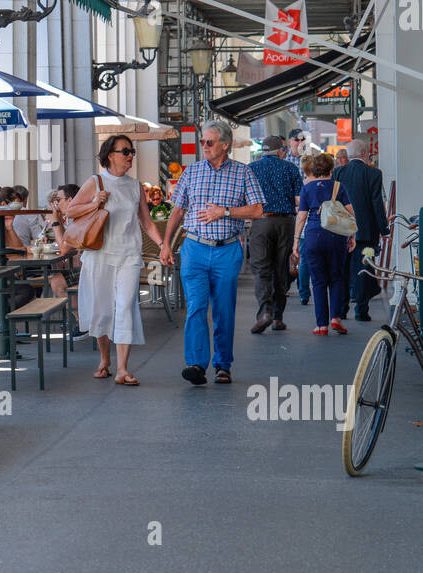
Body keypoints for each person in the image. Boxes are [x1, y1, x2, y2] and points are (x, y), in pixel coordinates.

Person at [160, 121, 264, 385]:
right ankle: (196, 364)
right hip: (194, 248)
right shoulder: (191, 172)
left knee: (223, 310)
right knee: (196, 306)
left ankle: (223, 364)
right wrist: (166, 243)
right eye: (202, 142)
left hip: (226, 250)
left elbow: (257, 210)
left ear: (225, 145)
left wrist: (225, 212)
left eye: (210, 142)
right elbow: (178, 210)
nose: (204, 146)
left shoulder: (243, 172)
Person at [67, 135, 165, 386]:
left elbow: (146, 221)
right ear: (110, 155)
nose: (130, 155)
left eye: (132, 152)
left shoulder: (135, 186)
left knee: (125, 307)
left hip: (129, 255)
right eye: (125, 151)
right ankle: (104, 359)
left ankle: (122, 369)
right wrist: (94, 203)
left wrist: (163, 245)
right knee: (101, 310)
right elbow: (70, 211)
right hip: (99, 254)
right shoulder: (96, 181)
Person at [293, 153, 356, 335]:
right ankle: (335, 317)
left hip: (313, 237)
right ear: (331, 169)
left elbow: (301, 217)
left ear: (314, 169)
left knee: (318, 281)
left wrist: (296, 241)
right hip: (336, 236)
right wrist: (352, 235)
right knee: (336, 277)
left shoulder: (307, 189)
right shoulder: (338, 186)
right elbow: (350, 213)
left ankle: (321, 325)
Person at [247, 134, 303, 333]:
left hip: (261, 222)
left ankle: (265, 313)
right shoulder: (290, 168)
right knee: (281, 270)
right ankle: (278, 318)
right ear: (280, 151)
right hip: (285, 223)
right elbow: (299, 200)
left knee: (262, 269)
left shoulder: (251, 169)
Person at [331, 138, 389, 321]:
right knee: (364, 269)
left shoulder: (338, 172)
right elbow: (377, 204)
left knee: (342, 270)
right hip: (366, 232)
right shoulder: (374, 173)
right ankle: (361, 311)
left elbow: (332, 202)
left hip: (341, 231)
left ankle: (341, 310)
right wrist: (384, 230)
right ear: (364, 153)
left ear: (349, 155)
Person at [296, 153, 317, 304]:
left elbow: (298, 208)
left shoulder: (301, 185)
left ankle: (304, 293)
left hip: (303, 230)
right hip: (319, 228)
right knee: (318, 261)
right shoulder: (322, 184)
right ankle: (318, 289)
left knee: (303, 261)